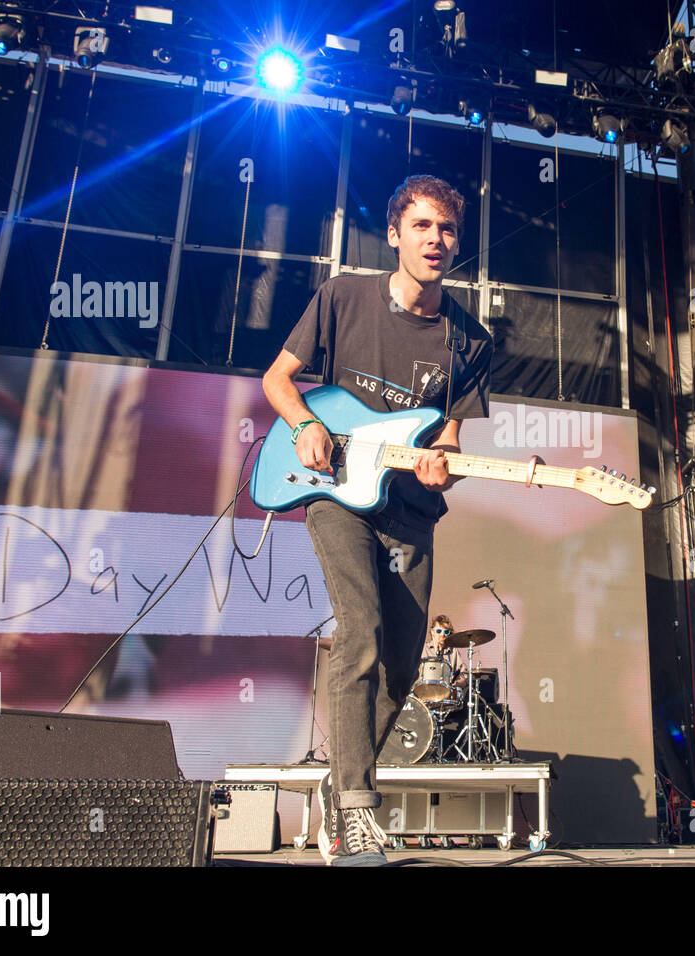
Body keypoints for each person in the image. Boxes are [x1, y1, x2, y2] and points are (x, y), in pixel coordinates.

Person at [262, 175, 492, 866]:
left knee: (399, 665)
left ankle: (343, 786)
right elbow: (278, 379)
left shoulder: (470, 338)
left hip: (410, 509)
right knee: (358, 631)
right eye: (422, 227)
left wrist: (440, 462)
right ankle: (358, 810)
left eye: (447, 230)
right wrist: (305, 422)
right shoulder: (343, 298)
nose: (436, 240)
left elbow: (448, 434)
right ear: (395, 234)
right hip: (336, 492)